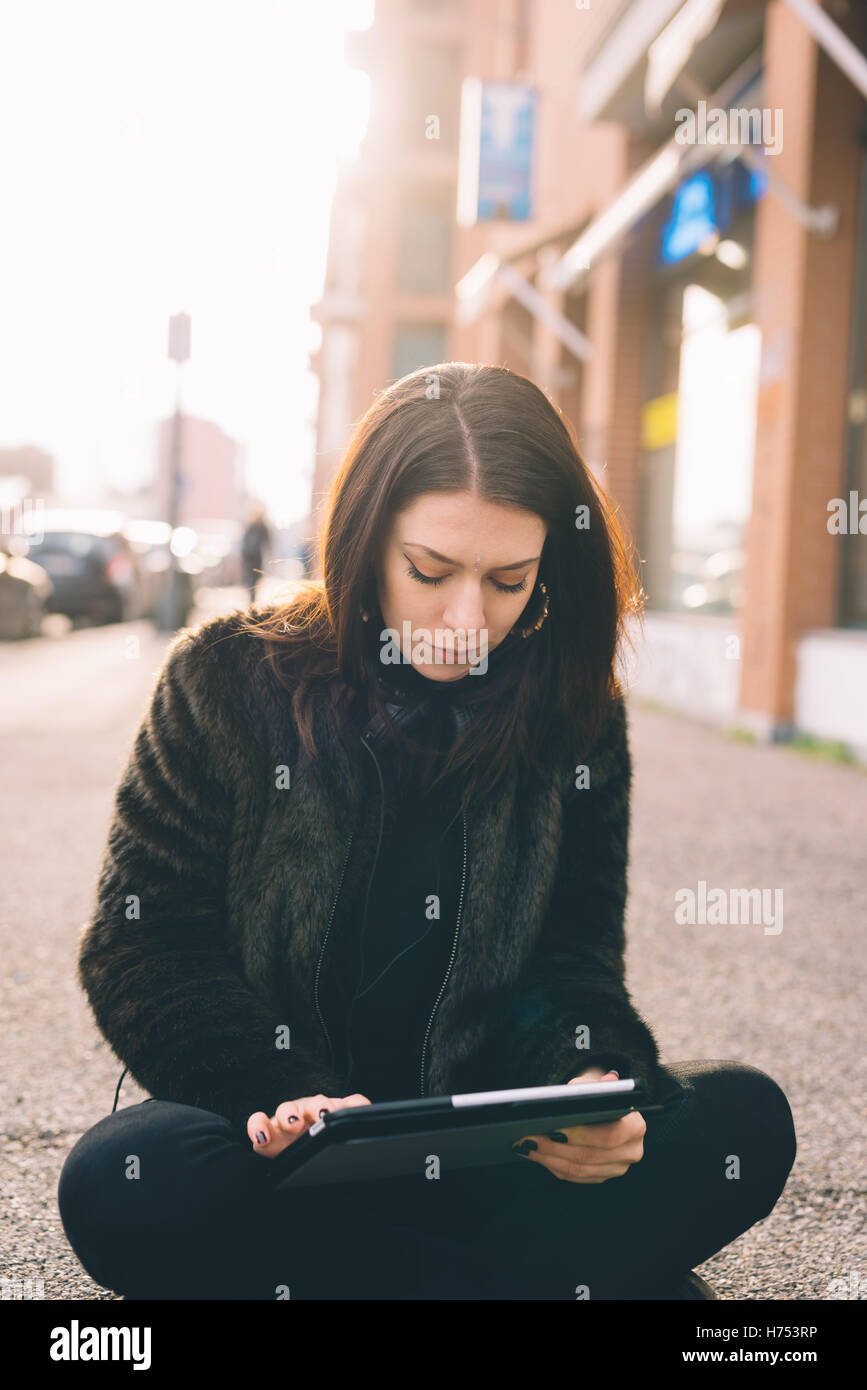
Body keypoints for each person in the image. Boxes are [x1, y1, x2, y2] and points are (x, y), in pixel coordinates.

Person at [57, 362, 796, 1301]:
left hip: (495, 1154)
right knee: (126, 1178)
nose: (463, 621)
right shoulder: (221, 680)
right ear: (366, 542)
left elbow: (572, 958)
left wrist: (588, 1077)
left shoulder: (574, 717)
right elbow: (142, 945)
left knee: (744, 1118)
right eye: (430, 571)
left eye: (508, 581)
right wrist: (274, 1085)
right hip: (285, 1157)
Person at [240, 504, 271, 603]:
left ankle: (251, 597)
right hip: (254, 557)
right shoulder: (260, 526)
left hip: (250, 557)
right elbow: (267, 542)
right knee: (254, 578)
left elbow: (244, 541)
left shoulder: (252, 526)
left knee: (252, 578)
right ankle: (252, 597)